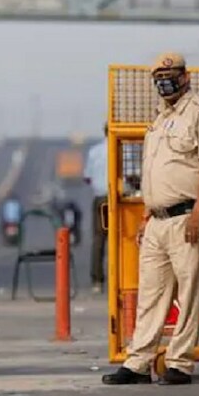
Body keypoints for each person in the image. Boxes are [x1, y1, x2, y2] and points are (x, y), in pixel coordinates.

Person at [102, 52, 199, 386]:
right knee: (151, 294)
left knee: (188, 293)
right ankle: (138, 362)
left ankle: (180, 362)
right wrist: (146, 217)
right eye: (158, 76)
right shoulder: (157, 120)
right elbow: (154, 173)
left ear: (185, 76)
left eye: (169, 74)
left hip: (187, 216)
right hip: (157, 220)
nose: (164, 81)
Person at [83, 124, 109, 294]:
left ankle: (97, 281)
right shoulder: (123, 148)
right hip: (119, 199)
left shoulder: (94, 152)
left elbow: (88, 177)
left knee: (99, 240)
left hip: (100, 198)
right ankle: (121, 276)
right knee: (123, 239)